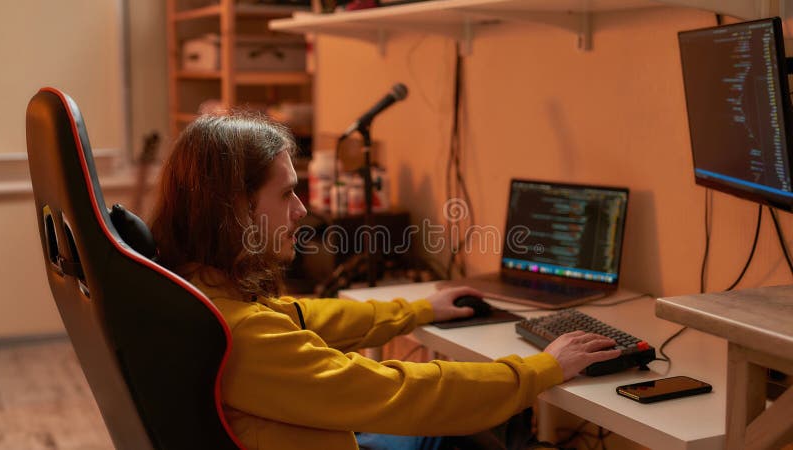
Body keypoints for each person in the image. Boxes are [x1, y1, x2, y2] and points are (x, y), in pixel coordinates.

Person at [149, 112, 621, 450]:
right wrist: (542, 368)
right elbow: (402, 392)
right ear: (234, 207)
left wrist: (416, 311)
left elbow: (297, 315)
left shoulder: (199, 290)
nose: (302, 210)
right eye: (288, 192)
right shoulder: (244, 335)